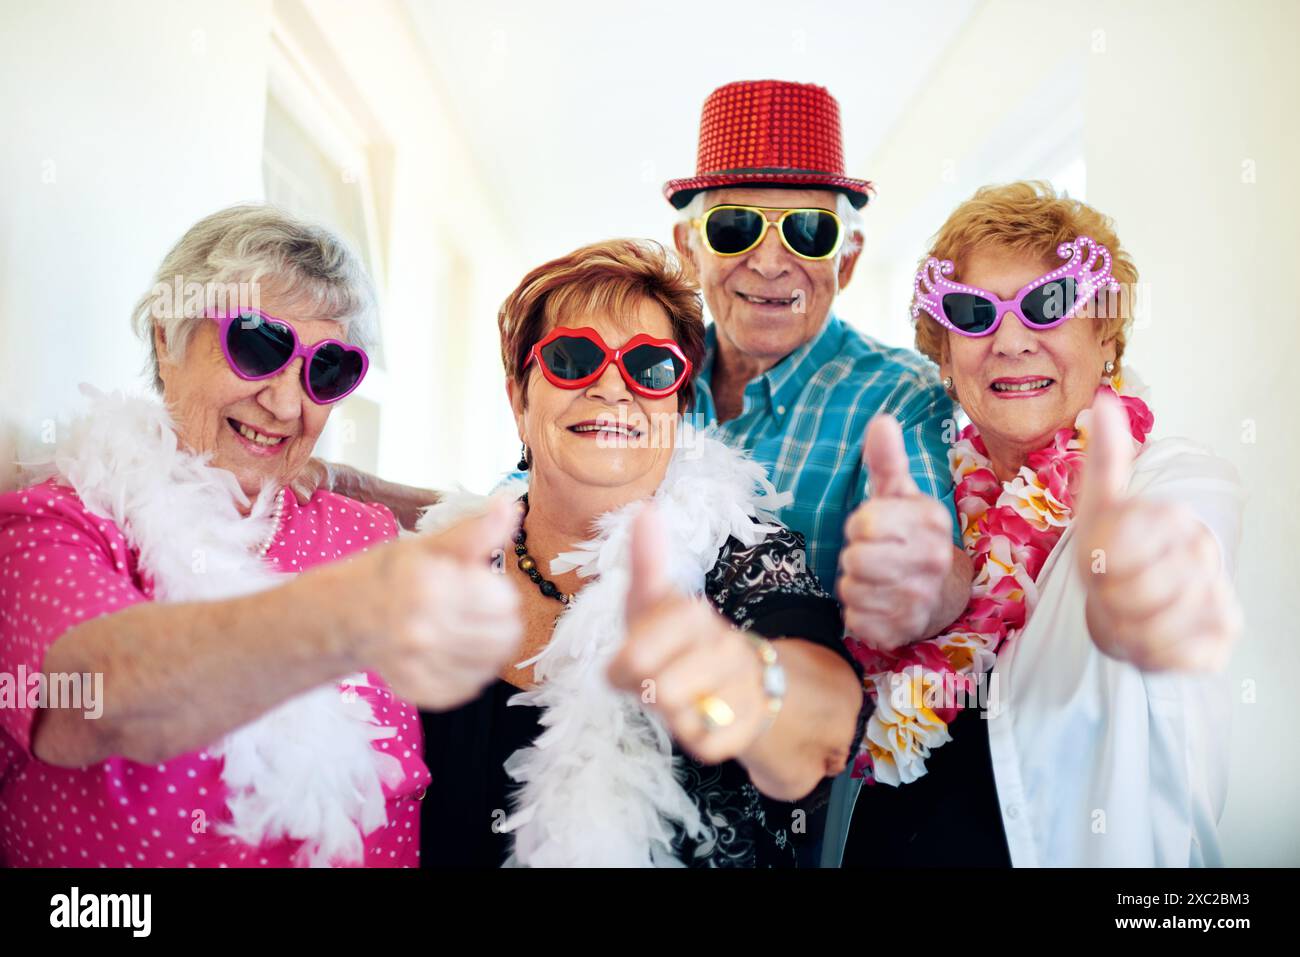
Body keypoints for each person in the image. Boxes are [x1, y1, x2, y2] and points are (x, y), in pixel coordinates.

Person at [0, 205, 522, 867]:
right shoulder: (57, 524)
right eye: (257, 343)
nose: (283, 402)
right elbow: (92, 701)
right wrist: (338, 617)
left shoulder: (364, 532)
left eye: (326, 369)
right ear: (168, 335)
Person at [417, 239, 868, 867]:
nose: (611, 388)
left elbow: (820, 730)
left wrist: (752, 688)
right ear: (520, 400)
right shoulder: (443, 566)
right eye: (572, 358)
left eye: (650, 367)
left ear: (678, 409)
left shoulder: (745, 560)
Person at [840, 181, 1244, 867]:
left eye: (1048, 304)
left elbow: (1176, 549)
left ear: (1106, 338)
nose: (1011, 340)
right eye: (972, 313)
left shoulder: (1168, 481)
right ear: (944, 357)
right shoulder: (932, 505)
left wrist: (1140, 574)